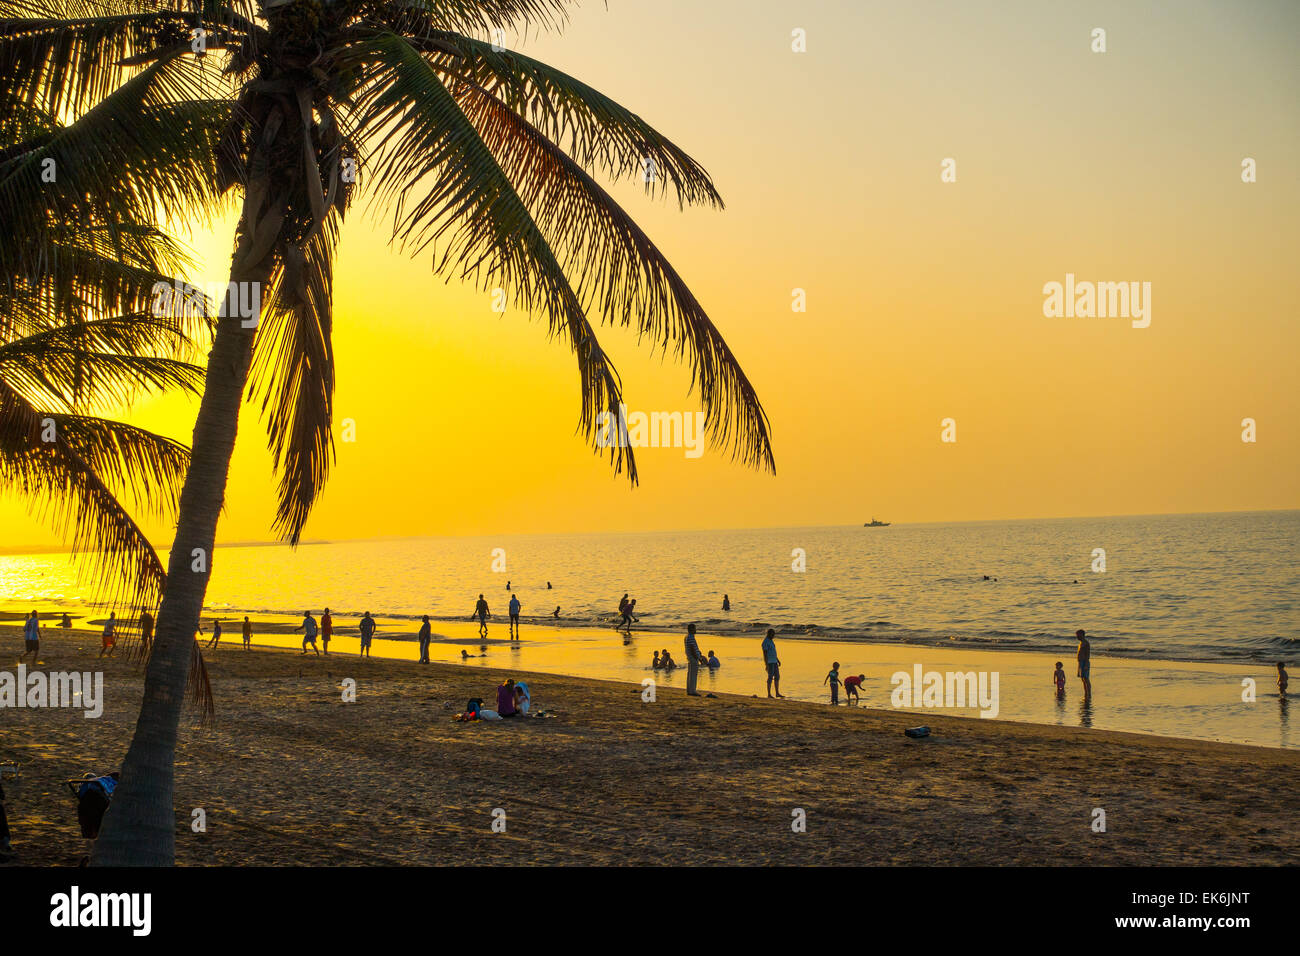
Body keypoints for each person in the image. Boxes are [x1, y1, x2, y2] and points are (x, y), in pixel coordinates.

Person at [683, 623, 707, 697]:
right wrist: (698, 658)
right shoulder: (691, 637)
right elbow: (692, 649)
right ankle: (693, 691)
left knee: (690, 674)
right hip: (693, 658)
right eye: (695, 628)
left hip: (690, 657)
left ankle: (689, 690)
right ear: (692, 629)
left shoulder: (687, 637)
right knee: (693, 675)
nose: (696, 630)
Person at [762, 628, 783, 698]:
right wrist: (766, 664)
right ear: (769, 634)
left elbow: (773, 652)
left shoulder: (771, 641)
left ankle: (777, 693)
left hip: (774, 661)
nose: (774, 636)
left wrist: (777, 660)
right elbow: (765, 654)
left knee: (777, 677)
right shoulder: (765, 642)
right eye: (773, 634)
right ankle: (769, 694)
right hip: (770, 662)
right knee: (770, 678)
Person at [1076, 629, 1092, 701]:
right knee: (1082, 678)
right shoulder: (1081, 643)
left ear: (1082, 635)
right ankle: (1086, 692)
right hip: (1080, 662)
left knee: (1086, 678)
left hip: (1084, 662)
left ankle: (1089, 693)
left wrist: (1085, 664)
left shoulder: (1086, 643)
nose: (1077, 637)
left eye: (1078, 635)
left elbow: (1087, 654)